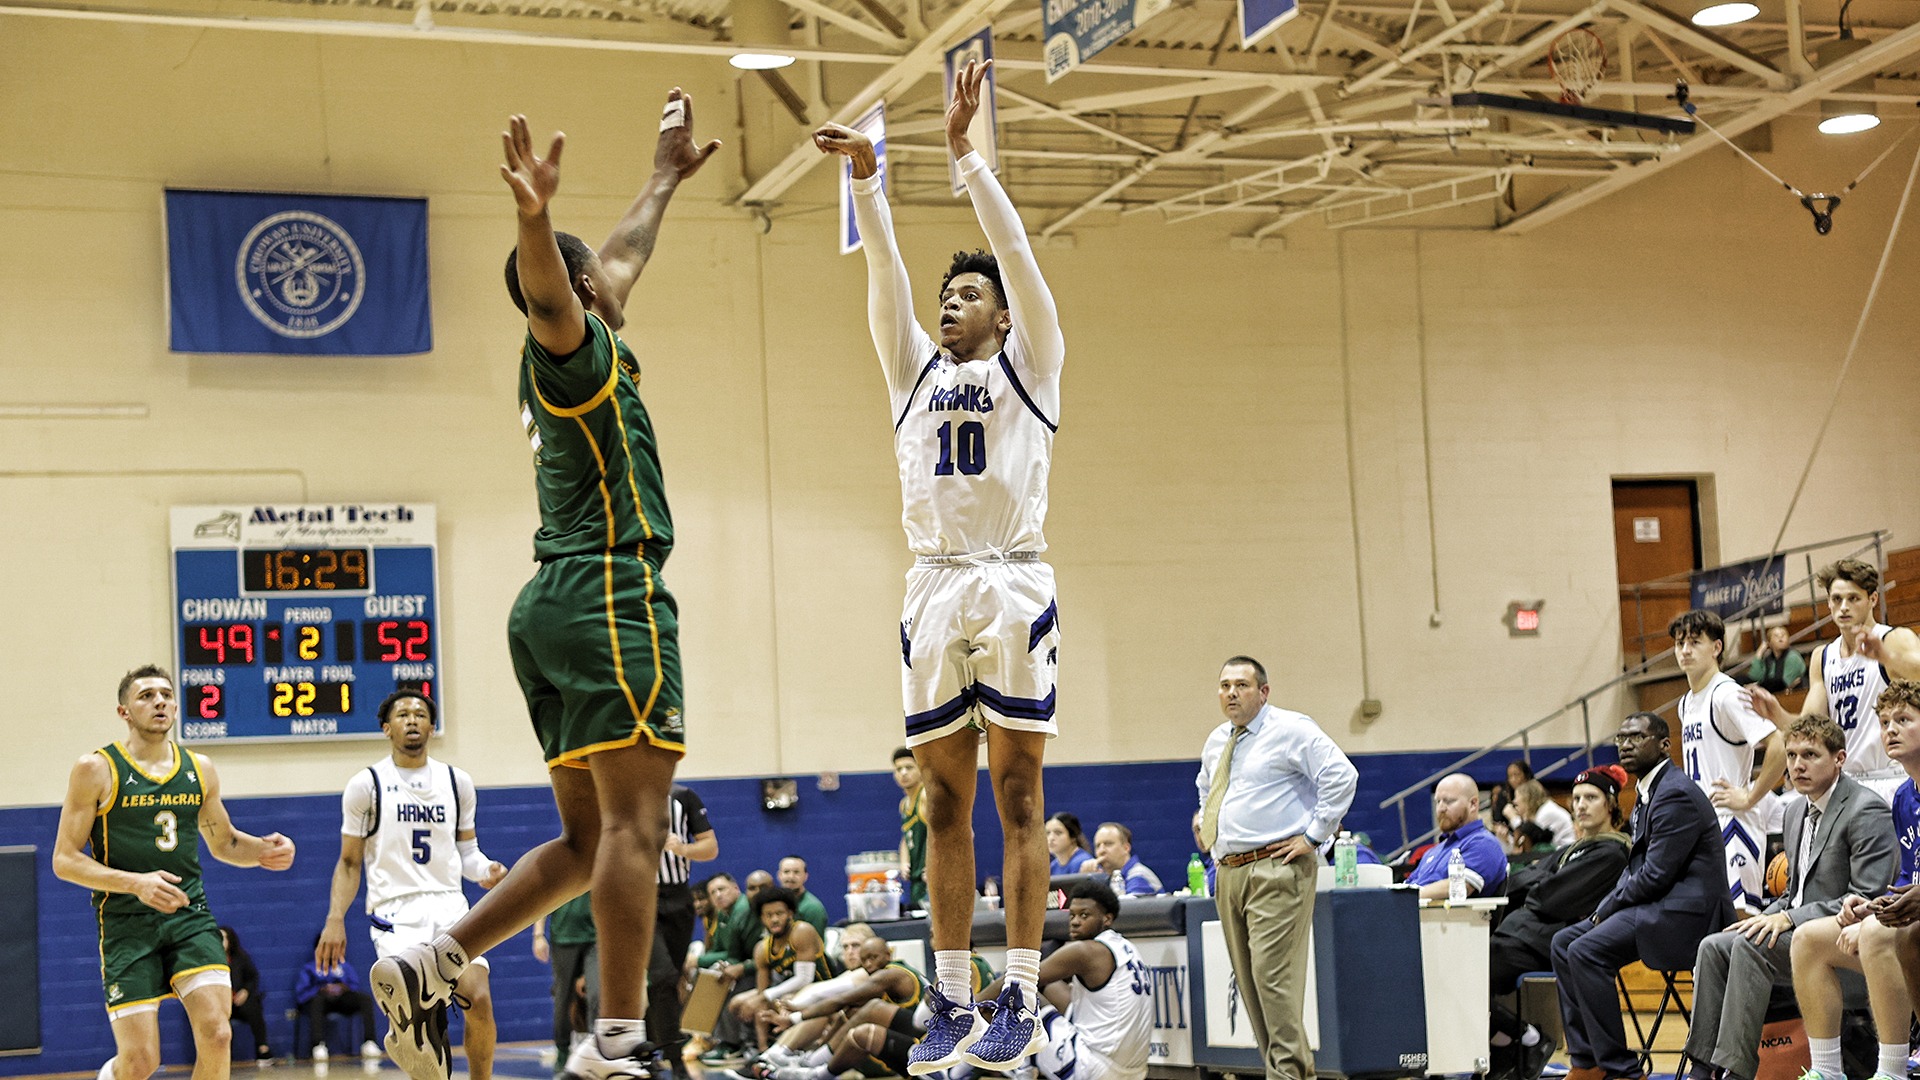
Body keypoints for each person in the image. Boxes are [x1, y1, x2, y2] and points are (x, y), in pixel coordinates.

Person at [369, 91, 721, 1080]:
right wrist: (534, 218)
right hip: (608, 592)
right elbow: (556, 293)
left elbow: (620, 260)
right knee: (637, 828)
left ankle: (431, 965)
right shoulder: (568, 347)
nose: (614, 272)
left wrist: (661, 178)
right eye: (591, 273)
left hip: (552, 606)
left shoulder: (595, 343)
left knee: (584, 839)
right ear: (576, 286)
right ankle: (615, 1044)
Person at [815, 58, 1064, 1074]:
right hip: (931, 584)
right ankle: (953, 998)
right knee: (941, 803)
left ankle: (1021, 992)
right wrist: (869, 182)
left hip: (1012, 579)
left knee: (1018, 795)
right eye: (947, 294)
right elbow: (883, 277)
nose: (951, 304)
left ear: (1002, 316)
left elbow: (1018, 255)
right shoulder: (913, 373)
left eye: (969, 294)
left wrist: (968, 161)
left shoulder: (1033, 364)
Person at [51, 665, 297, 1080]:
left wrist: (265, 850)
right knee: (140, 1062)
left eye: (166, 694)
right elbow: (64, 859)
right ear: (124, 712)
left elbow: (224, 843)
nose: (159, 702)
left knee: (218, 1032)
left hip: (189, 916)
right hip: (126, 923)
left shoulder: (200, 768)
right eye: (146, 696)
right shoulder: (96, 768)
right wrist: (136, 883)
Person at [1685, 715, 1896, 1080]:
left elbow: (1867, 898)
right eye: (1792, 755)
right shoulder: (1795, 809)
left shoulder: (1866, 809)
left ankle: (1736, 1072)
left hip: (1846, 947)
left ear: (1839, 759)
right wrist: (1767, 916)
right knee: (1714, 946)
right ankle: (1701, 1068)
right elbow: (1792, 893)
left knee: (1750, 947)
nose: (1797, 765)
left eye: (1810, 755)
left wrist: (1790, 918)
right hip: (1796, 937)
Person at [317, 690, 506, 1080]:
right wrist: (335, 918)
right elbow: (349, 862)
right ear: (387, 728)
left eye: (420, 714)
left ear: (432, 727)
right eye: (403, 714)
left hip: (450, 905)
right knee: (424, 1017)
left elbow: (467, 852)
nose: (412, 719)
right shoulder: (366, 785)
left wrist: (486, 869)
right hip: (395, 911)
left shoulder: (457, 782)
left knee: (479, 998)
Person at [1197, 656, 1357, 1080]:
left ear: (1263, 692)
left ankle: (1290, 1074)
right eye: (1225, 685)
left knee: (1274, 981)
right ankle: (1282, 1072)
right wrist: (1210, 829)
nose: (1231, 693)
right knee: (1250, 985)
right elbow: (1205, 787)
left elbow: (1341, 775)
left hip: (1276, 867)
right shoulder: (1218, 739)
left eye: (1242, 685)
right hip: (1228, 870)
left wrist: (1313, 836)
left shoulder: (1291, 729)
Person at [1551, 712, 1734, 1080]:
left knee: (1585, 950)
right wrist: (1604, 909)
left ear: (1665, 745)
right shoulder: (1649, 791)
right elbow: (1636, 869)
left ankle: (1621, 1071)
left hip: (1687, 915)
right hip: (1660, 905)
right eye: (1621, 738)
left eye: (1636, 737)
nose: (1626, 745)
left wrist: (1605, 910)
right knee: (1562, 943)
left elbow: (1655, 875)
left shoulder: (1675, 792)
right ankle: (1588, 1063)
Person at [1788, 680, 1920, 1080]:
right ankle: (1827, 1070)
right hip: (1912, 923)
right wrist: (1872, 906)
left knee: (1877, 934)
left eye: (1903, 720)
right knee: (1808, 939)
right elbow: (1906, 877)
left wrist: (1877, 921)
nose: (1891, 729)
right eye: (1884, 722)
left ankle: (1892, 1071)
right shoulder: (1903, 798)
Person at [1486, 766, 1631, 1080]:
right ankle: (1513, 1043)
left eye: (1591, 797)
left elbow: (1550, 899)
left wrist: (1537, 886)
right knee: (1454, 966)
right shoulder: (1572, 849)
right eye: (1576, 798)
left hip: (1548, 942)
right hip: (1520, 934)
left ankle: (1525, 1039)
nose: (1581, 805)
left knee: (1469, 973)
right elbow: (1518, 883)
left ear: (1610, 804)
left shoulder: (1614, 853)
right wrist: (1538, 885)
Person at [1751, 559, 1920, 803]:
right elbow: (1810, 729)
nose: (1844, 607)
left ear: (1873, 599)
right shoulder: (1823, 656)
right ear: (1828, 603)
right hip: (1846, 783)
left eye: (1853, 598)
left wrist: (1886, 657)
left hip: (1892, 778)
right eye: (1837, 599)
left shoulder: (1893, 639)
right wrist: (1776, 714)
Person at [1669, 609, 1790, 916]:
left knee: (1741, 916)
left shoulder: (1727, 694)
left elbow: (1778, 744)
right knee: (1712, 919)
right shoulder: (1686, 702)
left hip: (1732, 819)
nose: (1685, 650)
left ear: (1717, 647)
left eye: (1695, 642)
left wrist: (1750, 796)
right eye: (1680, 643)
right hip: (1703, 822)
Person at [982, 879, 1153, 1080]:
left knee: (1018, 992)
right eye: (1072, 915)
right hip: (1136, 1071)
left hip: (1093, 1070)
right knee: (1049, 987)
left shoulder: (1086, 951)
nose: (1075, 921)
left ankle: (1021, 1070)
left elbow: (1016, 980)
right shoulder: (1125, 947)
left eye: (1084, 915)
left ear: (1107, 918)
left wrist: (971, 1006)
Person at [759, 937, 926, 1080]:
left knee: (870, 1010)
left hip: (919, 1047)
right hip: (911, 1040)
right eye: (864, 960)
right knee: (853, 1010)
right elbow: (844, 1003)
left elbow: (839, 999)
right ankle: (811, 1060)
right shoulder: (886, 975)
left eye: (874, 957)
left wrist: (793, 1018)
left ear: (889, 954)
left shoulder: (891, 974)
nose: (869, 964)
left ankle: (813, 1066)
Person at [652, 784, 717, 1078]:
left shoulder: (682, 797)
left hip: (679, 898)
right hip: (642, 898)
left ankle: (658, 1047)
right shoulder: (622, 795)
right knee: (662, 975)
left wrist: (682, 848)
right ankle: (674, 1057)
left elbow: (710, 848)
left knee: (670, 979)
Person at [728, 888, 825, 1051]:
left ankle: (788, 1048)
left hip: (819, 985)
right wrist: (762, 1047)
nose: (774, 919)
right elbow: (763, 993)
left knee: (785, 1000)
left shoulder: (802, 931)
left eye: (779, 914)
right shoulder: (762, 948)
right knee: (737, 1003)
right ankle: (760, 1047)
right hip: (788, 991)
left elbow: (804, 979)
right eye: (769, 915)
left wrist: (765, 997)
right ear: (761, 918)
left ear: (790, 913)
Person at [1405, 774, 1508, 899]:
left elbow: (1458, 886)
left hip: (1443, 911)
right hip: (1413, 909)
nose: (1441, 808)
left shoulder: (1484, 844)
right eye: (1438, 801)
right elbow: (1407, 886)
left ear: (1473, 804)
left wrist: (1405, 899)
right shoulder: (1434, 851)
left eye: (1449, 801)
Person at [534, 892, 597, 1076]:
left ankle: (595, 1051)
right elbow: (544, 895)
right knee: (563, 998)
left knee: (597, 994)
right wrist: (538, 935)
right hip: (564, 937)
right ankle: (562, 1052)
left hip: (595, 938)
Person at [295, 942, 382, 1061]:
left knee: (365, 999)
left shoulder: (344, 966)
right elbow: (301, 994)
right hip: (322, 1001)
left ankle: (369, 1042)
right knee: (316, 1002)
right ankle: (318, 1045)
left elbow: (355, 985)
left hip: (341, 1000)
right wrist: (321, 989)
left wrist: (343, 987)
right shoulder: (309, 968)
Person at [219, 927, 272, 1064]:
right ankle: (222, 1056)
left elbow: (252, 977)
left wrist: (245, 991)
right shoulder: (209, 960)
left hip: (238, 1001)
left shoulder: (240, 957)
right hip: (220, 1004)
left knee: (254, 1007)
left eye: (223, 938)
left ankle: (263, 1049)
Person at [893, 748, 929, 911]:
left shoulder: (925, 797)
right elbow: (906, 837)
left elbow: (946, 835)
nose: (903, 773)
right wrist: (904, 861)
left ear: (920, 769)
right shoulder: (904, 804)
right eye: (899, 769)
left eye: (909, 767)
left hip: (930, 877)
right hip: (916, 879)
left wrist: (934, 865)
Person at [1091, 823, 1163, 896]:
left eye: (1108, 844)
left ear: (1126, 848)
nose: (1101, 851)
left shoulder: (1138, 876)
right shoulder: (1106, 878)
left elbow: (1126, 903)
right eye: (1098, 846)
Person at [1505, 780, 1576, 849]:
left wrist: (1513, 819)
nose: (1514, 801)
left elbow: (1531, 840)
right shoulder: (1541, 811)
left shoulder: (1546, 812)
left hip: (1568, 850)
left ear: (1527, 797)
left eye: (1516, 796)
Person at [775, 856, 830, 938]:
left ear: (805, 876)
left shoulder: (813, 908)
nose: (791, 877)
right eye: (786, 872)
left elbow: (815, 944)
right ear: (779, 875)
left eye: (796, 872)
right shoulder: (773, 904)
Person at [1746, 625, 1807, 693]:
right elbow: (1755, 676)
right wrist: (1759, 652)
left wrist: (1759, 687)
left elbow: (1782, 684)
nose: (1780, 638)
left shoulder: (1793, 657)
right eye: (1776, 636)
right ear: (1769, 643)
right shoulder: (1769, 659)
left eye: (1783, 635)